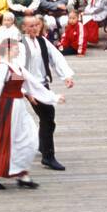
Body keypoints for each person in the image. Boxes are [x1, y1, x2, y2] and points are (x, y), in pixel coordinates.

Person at [0, 27, 63, 190]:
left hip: (18, 106)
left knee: (28, 136)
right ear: (8, 50)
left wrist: (53, 97)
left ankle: (23, 174)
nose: (19, 49)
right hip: (7, 108)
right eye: (16, 47)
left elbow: (31, 84)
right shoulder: (4, 67)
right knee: (5, 139)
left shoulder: (16, 66)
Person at [19, 14, 75, 173]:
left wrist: (66, 76)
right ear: (23, 28)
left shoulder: (43, 41)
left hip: (43, 86)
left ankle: (42, 145)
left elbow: (56, 57)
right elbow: (18, 70)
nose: (34, 28)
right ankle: (48, 156)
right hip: (31, 87)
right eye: (30, 26)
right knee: (48, 118)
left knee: (47, 118)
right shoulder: (21, 45)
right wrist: (25, 92)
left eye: (36, 25)